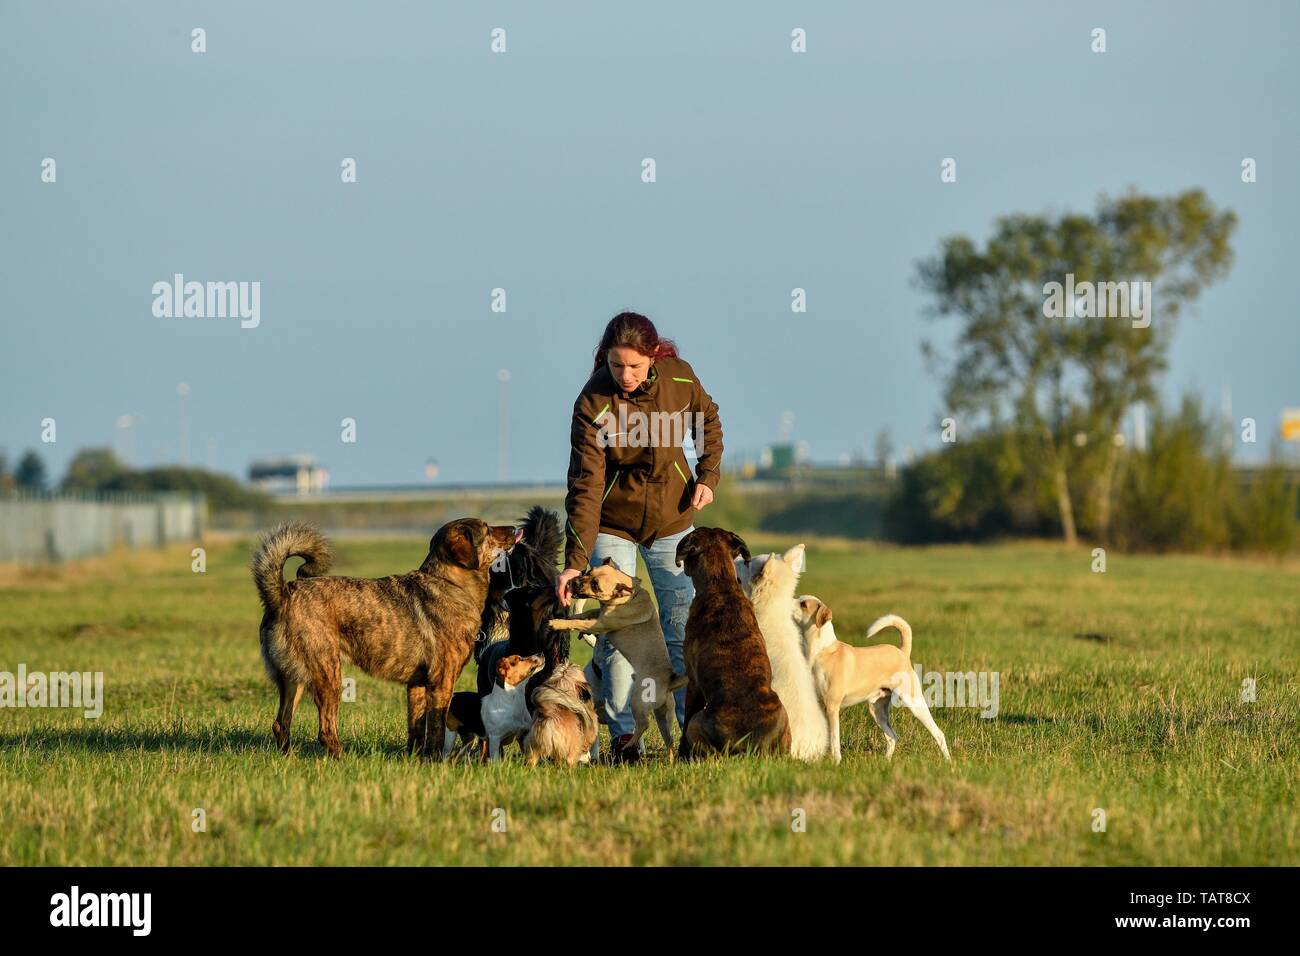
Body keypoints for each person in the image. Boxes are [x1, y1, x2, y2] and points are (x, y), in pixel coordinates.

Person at [555, 311, 724, 761]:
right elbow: (586, 486)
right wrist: (575, 560)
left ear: (654, 356)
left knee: (681, 628)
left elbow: (708, 420)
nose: (625, 376)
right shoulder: (593, 403)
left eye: (634, 366)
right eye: (616, 366)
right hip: (613, 524)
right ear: (604, 361)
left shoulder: (680, 380)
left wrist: (707, 475)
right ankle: (624, 739)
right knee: (617, 635)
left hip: (673, 520)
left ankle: (693, 734)